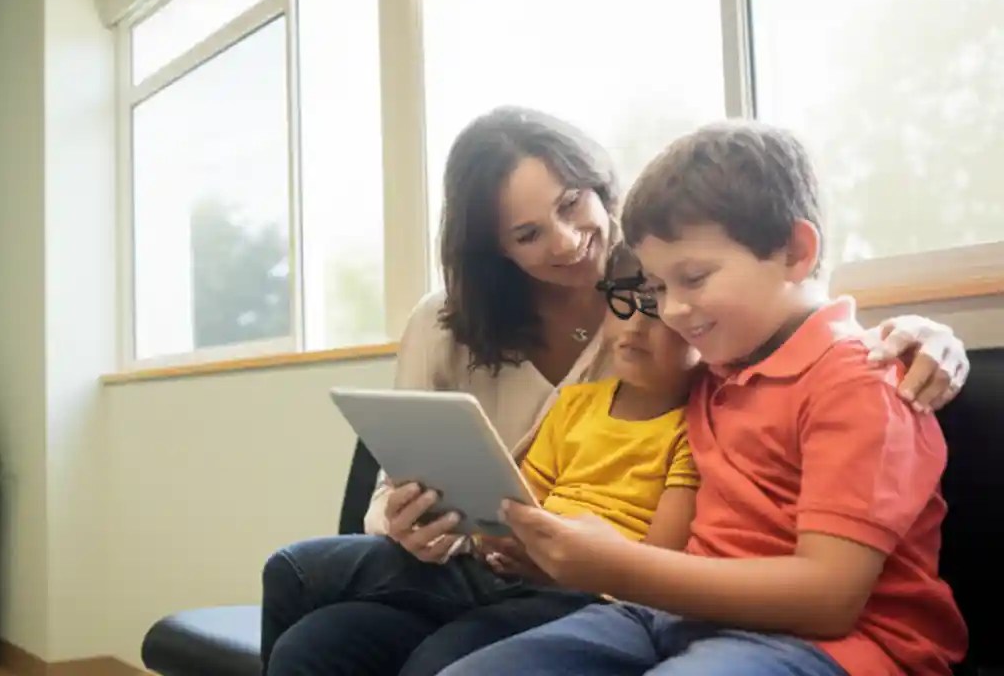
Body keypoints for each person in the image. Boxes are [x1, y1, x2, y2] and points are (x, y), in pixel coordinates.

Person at [261, 107, 970, 675]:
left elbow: (827, 592)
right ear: (496, 252)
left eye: (574, 205)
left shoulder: (774, 363)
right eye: (530, 233)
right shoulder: (714, 366)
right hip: (640, 602)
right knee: (312, 605)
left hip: (764, 624)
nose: (669, 311)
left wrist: (922, 335)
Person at [264, 244, 701, 676]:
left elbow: (653, 565)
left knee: (434, 663)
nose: (636, 327)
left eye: (656, 310)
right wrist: (500, 536)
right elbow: (525, 503)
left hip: (586, 597)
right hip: (504, 574)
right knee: (300, 609)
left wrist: (562, 559)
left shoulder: (695, 428)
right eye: (623, 302)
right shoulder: (575, 404)